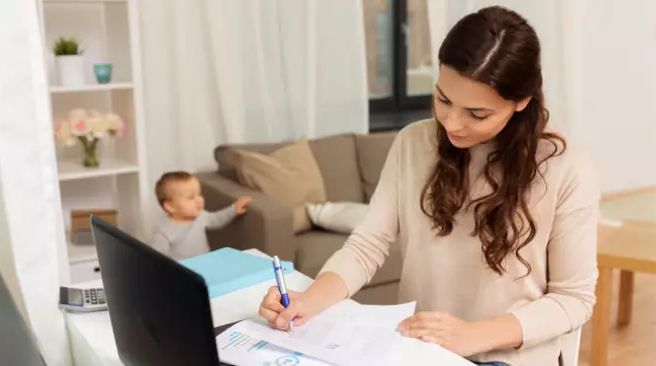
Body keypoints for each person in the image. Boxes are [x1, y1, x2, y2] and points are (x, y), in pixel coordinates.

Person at [258, 6, 599, 366]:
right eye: (443, 99)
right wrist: (309, 299)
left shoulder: (566, 168)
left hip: (510, 357)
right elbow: (367, 245)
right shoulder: (412, 144)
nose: (451, 122)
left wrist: (473, 335)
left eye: (477, 114)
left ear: (521, 102)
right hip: (421, 350)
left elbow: (573, 298)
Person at [150, 171, 252, 260]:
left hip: (205, 265)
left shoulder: (200, 216)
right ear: (171, 206)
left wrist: (234, 209)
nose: (199, 200)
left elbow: (216, 219)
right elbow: (157, 259)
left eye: (199, 194)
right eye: (191, 197)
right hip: (184, 274)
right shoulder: (163, 232)